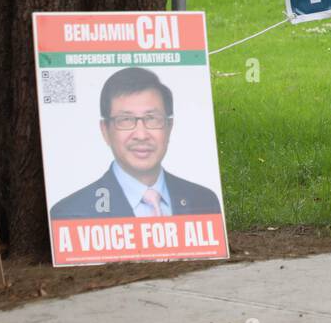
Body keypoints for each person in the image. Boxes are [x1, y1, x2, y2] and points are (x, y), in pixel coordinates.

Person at [50, 67, 221, 219]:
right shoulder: (70, 214)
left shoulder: (205, 201)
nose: (141, 135)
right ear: (105, 130)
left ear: (169, 127)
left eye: (152, 118)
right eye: (125, 120)